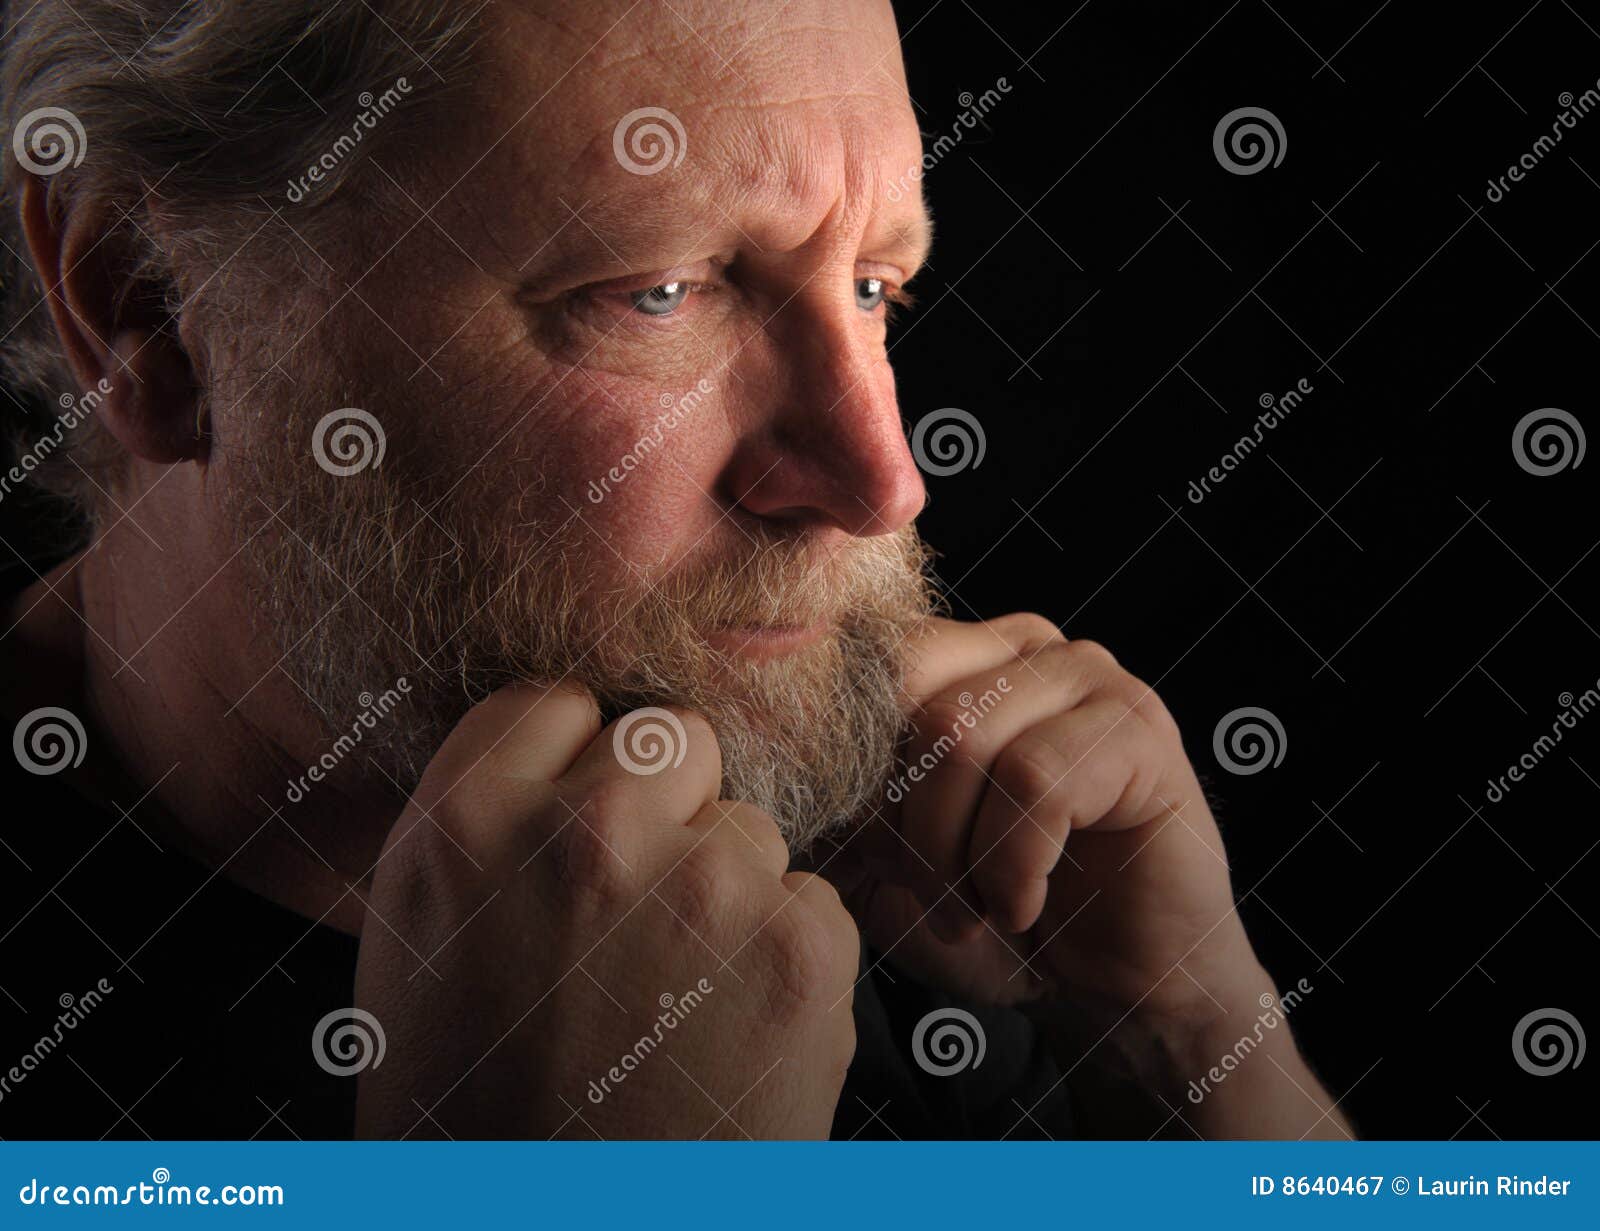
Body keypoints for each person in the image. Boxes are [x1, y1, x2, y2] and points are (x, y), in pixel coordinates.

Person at [0, 0, 1348, 1140]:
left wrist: (1199, 1051)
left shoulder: (953, 919)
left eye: (876, 290)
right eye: (660, 292)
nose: (883, 481)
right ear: (145, 309)